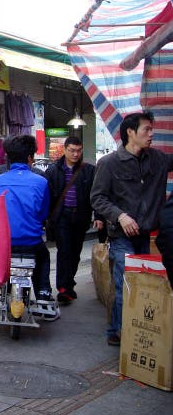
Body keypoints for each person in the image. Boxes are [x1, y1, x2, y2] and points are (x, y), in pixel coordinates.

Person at [91, 111, 173, 346]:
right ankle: (119, 333)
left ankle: (138, 330)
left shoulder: (157, 159)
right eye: (146, 129)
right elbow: (97, 198)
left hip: (146, 236)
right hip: (120, 237)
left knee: (146, 287)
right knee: (124, 284)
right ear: (130, 132)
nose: (151, 134)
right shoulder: (109, 163)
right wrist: (121, 216)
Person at [0, 135, 53, 302]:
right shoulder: (41, 181)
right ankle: (43, 292)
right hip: (31, 243)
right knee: (43, 257)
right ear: (30, 158)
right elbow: (44, 213)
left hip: (4, 245)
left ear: (8, 158)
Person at [44, 136, 103, 304]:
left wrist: (98, 216)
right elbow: (48, 197)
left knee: (75, 252)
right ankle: (63, 288)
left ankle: (68, 284)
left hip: (81, 216)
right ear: (64, 150)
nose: (75, 154)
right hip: (61, 217)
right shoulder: (53, 170)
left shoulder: (89, 170)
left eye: (78, 150)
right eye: (72, 150)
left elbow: (96, 195)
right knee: (64, 251)